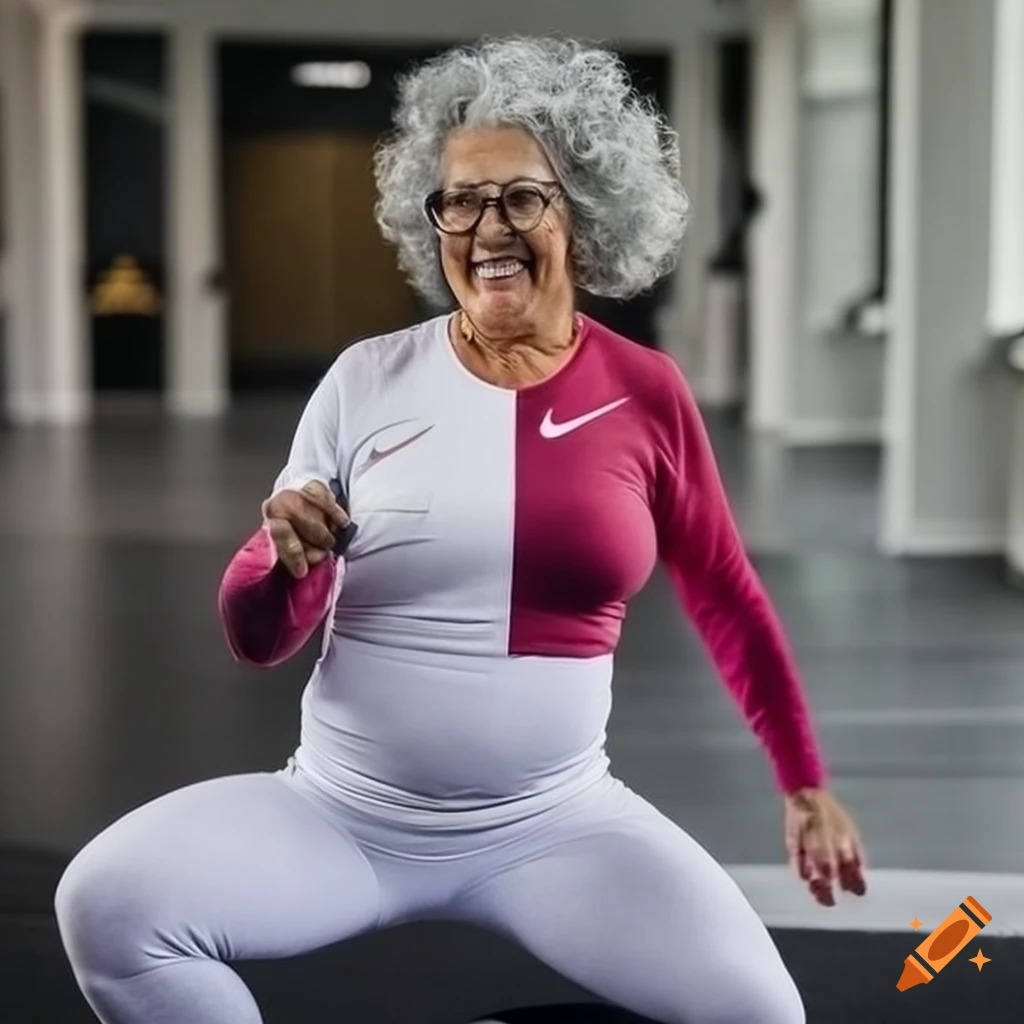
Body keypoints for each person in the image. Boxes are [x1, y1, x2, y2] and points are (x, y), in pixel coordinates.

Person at [55, 37, 867, 1024]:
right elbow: (257, 635)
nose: (487, 225)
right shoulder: (366, 379)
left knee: (762, 1018)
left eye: (521, 196)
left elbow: (724, 591)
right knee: (107, 907)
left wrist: (804, 782)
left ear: (584, 212)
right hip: (341, 817)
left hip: (555, 827)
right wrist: (285, 560)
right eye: (459, 200)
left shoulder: (645, 394)